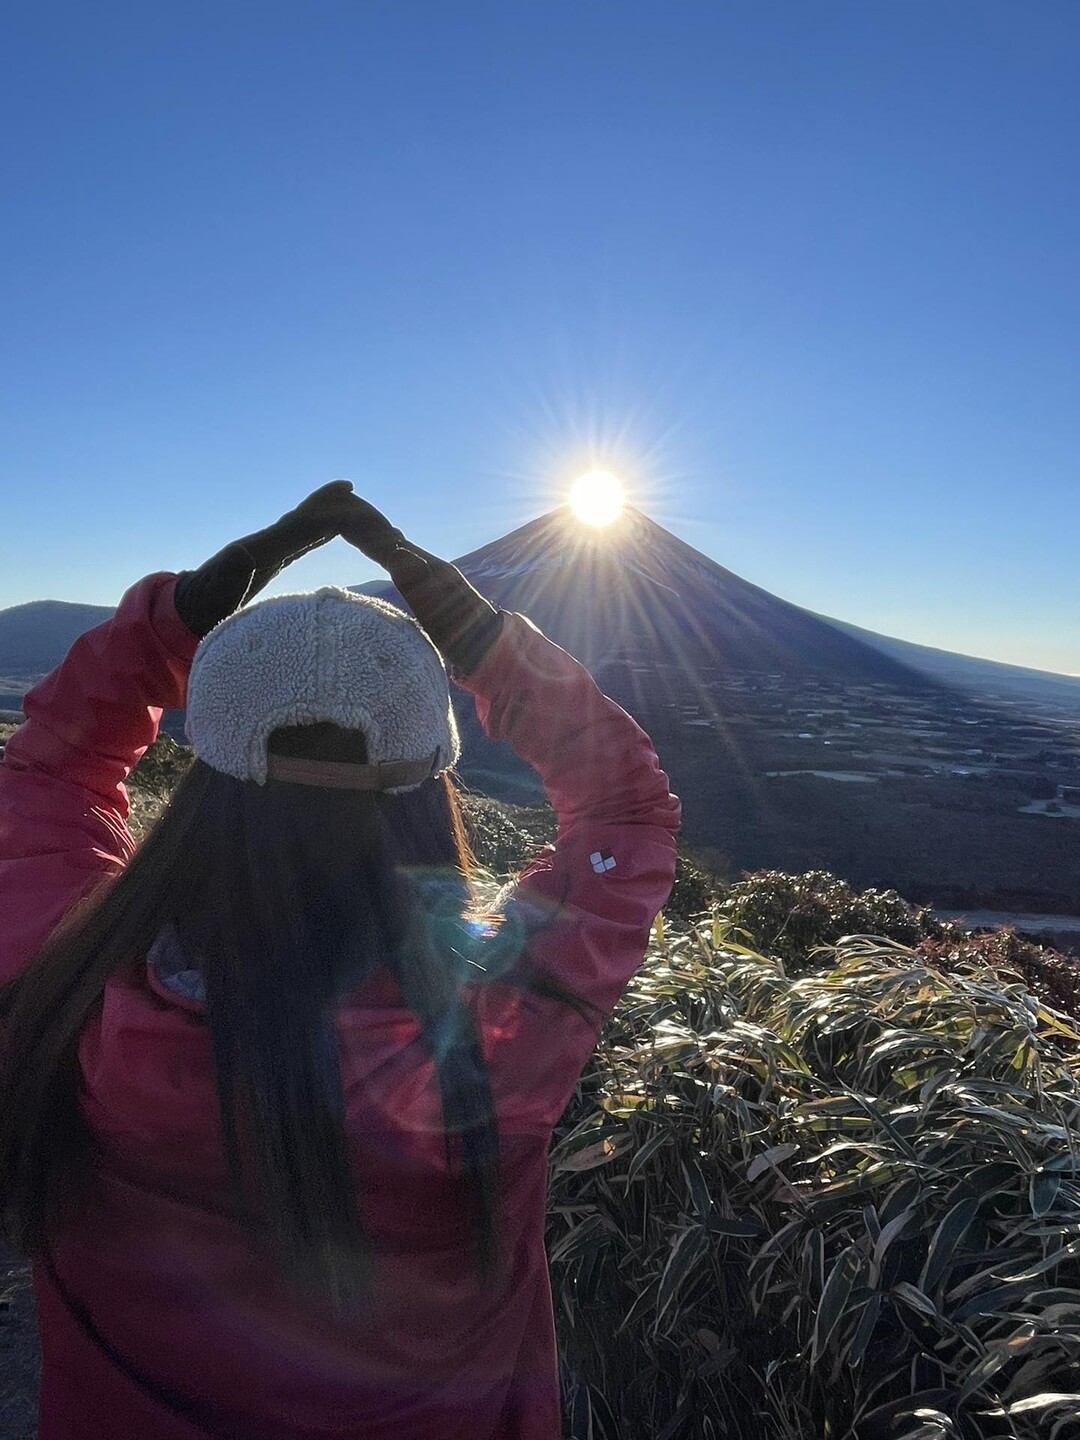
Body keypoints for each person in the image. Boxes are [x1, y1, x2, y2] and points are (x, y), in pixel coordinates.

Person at [0, 482, 680, 1440]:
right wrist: (475, 632)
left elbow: (47, 771)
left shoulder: (77, 984)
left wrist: (176, 620)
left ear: (211, 774)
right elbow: (627, 812)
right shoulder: (498, 1038)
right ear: (421, 784)